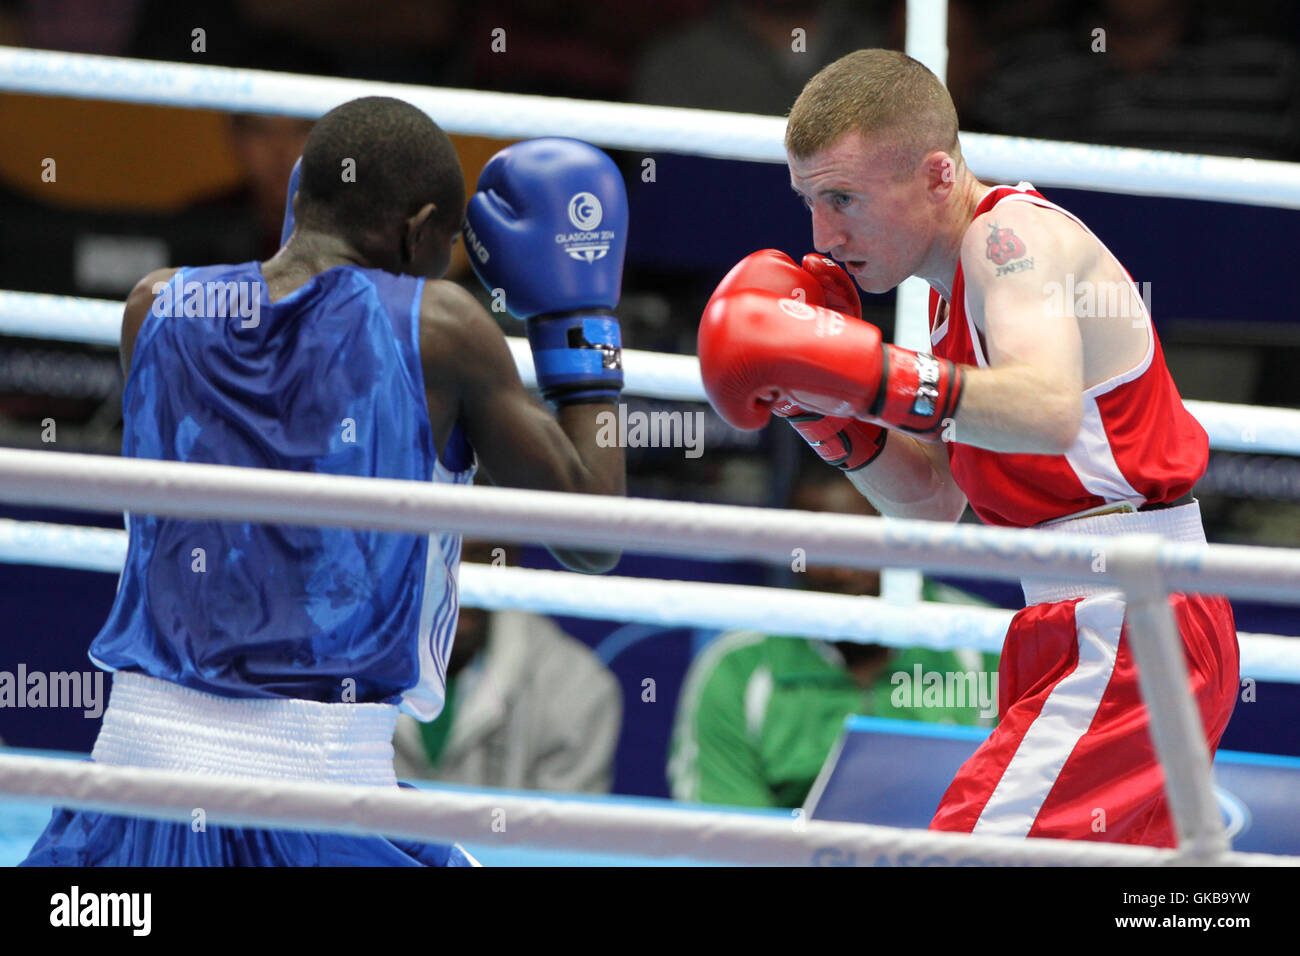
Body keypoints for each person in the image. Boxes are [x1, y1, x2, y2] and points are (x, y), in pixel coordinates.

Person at [22, 96, 628, 866]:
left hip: (127, 787)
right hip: (317, 794)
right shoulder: (439, 328)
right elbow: (597, 537)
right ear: (418, 231)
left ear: (299, 197)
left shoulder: (155, 307)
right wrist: (582, 324)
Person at [696, 49, 1238, 847]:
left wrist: (869, 372)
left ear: (938, 176)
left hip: (1126, 621)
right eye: (810, 201)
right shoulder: (953, 301)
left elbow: (1046, 409)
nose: (824, 232)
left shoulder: (1007, 240)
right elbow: (935, 501)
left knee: (966, 855)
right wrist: (828, 413)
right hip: (1093, 620)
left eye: (843, 197)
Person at [668, 469, 998, 809]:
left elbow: (1013, 806)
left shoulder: (984, 640)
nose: (844, 570)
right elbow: (726, 832)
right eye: (826, 549)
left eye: (863, 546)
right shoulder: (737, 666)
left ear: (903, 540)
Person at [393, 540, 622, 793]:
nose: (458, 577)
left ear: (509, 560)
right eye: (438, 554)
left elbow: (562, 828)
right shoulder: (347, 668)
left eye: (479, 556)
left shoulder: (576, 686)